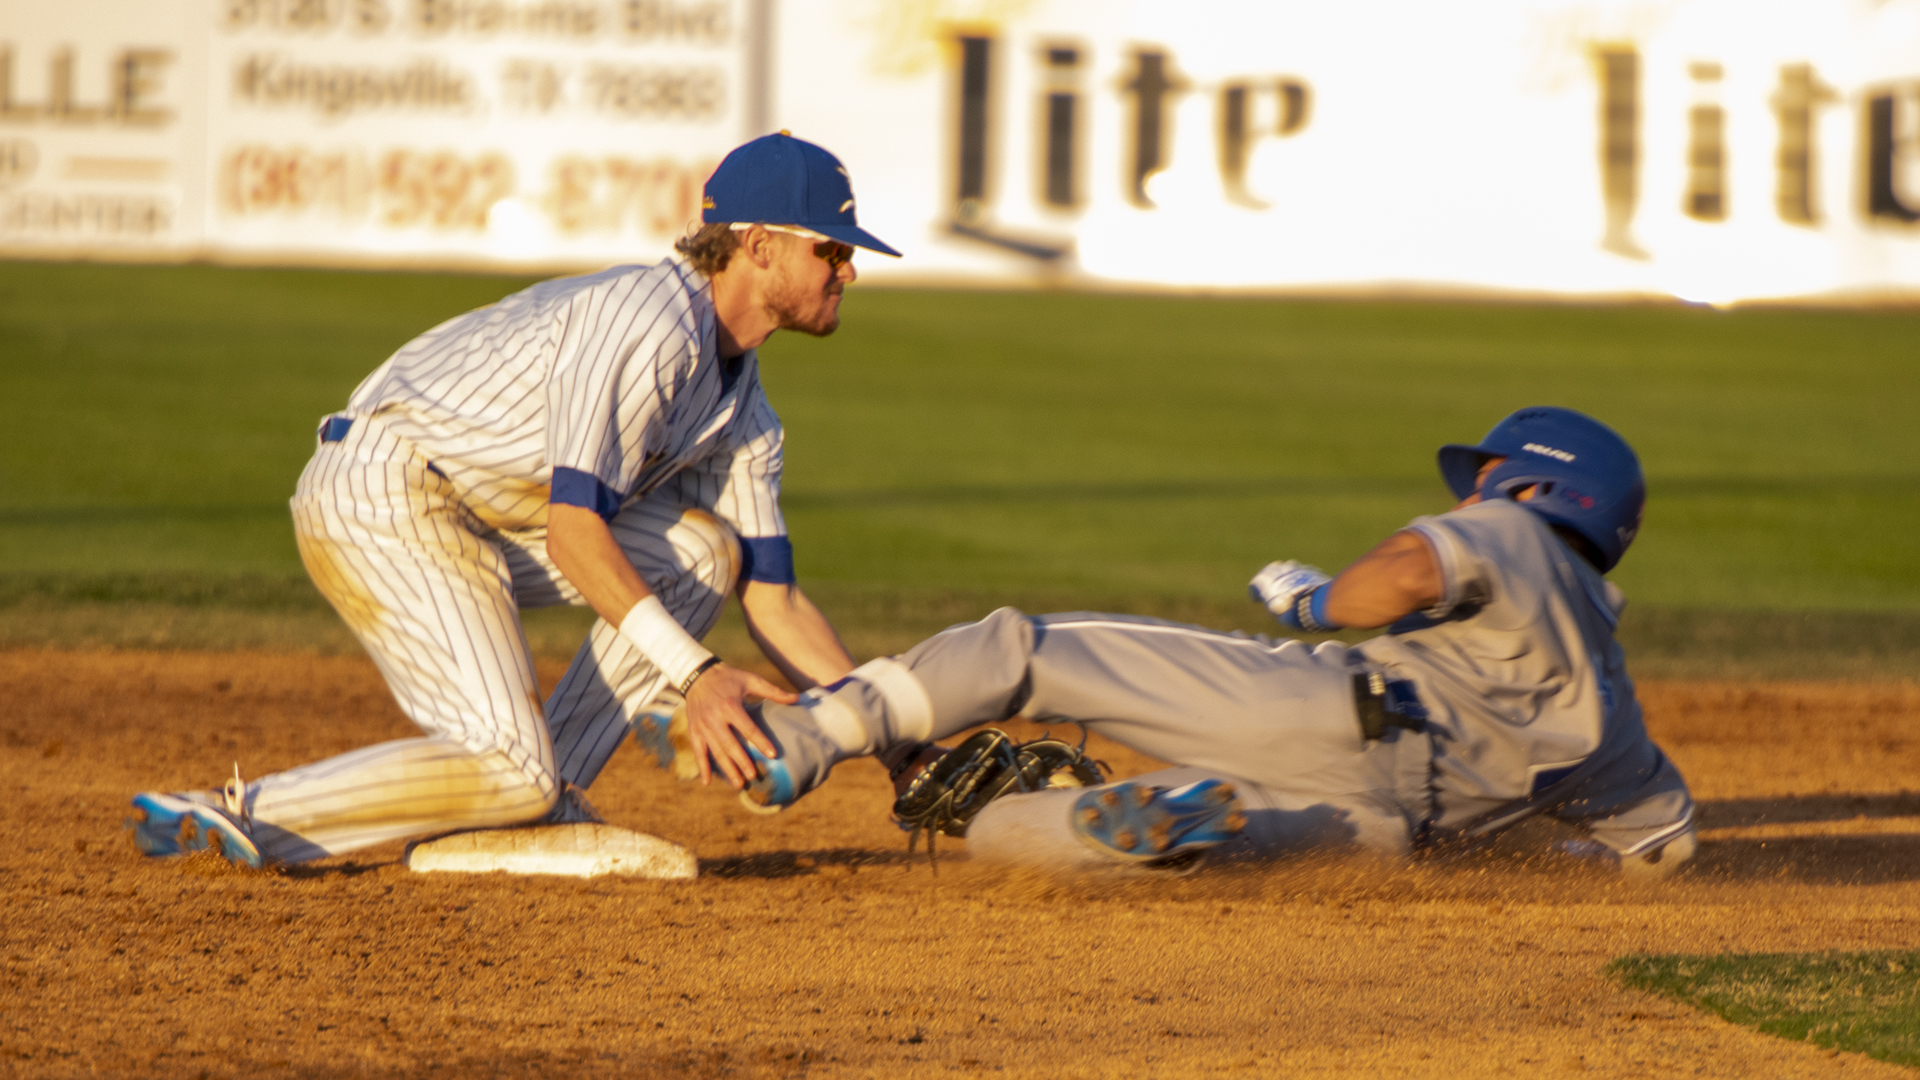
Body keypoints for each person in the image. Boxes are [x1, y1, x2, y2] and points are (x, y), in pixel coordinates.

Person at [127, 132, 899, 867]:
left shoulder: (746, 411)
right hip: (386, 489)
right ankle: (246, 812)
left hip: (476, 518)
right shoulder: (649, 323)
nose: (850, 271)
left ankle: (538, 800)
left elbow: (778, 604)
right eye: (831, 249)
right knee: (507, 761)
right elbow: (573, 536)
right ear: (758, 246)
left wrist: (901, 741)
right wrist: (696, 677)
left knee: (702, 554)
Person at [727, 407, 1698, 876]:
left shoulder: (1514, 532)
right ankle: (1142, 825)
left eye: (1487, 479)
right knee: (999, 836)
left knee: (1024, 649)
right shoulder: (1616, 715)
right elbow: (1663, 846)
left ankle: (801, 742)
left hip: (1340, 717)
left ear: (1539, 491)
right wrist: (1549, 864)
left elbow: (1404, 572)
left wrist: (1318, 603)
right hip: (1385, 833)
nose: (1470, 496)